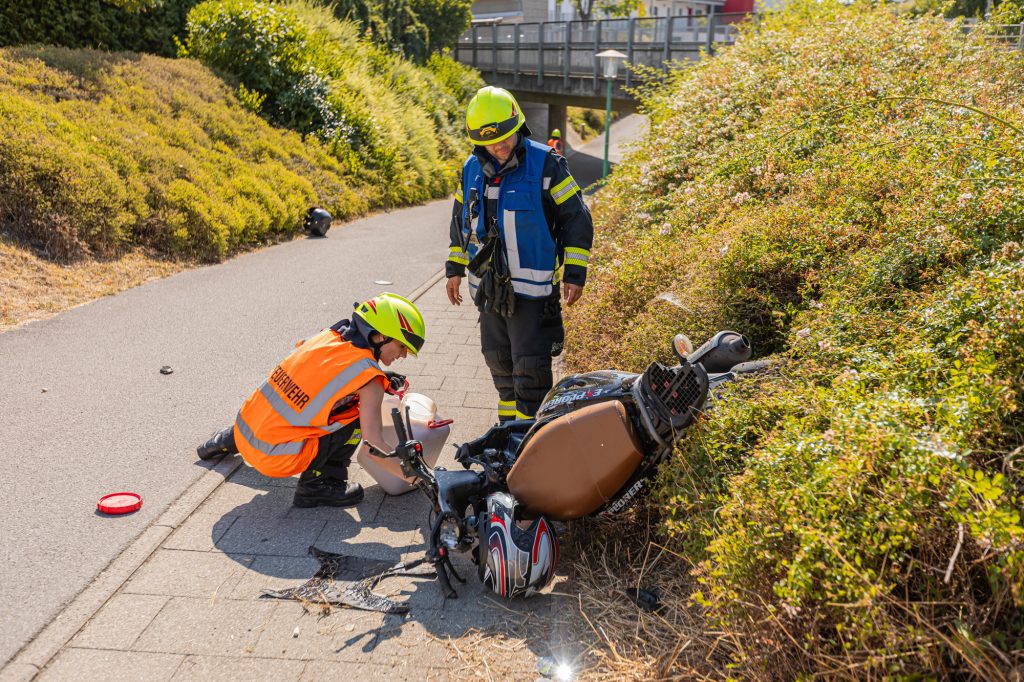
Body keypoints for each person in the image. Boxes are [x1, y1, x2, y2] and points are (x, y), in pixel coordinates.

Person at [446, 86, 594, 422]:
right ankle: (508, 432)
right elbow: (461, 223)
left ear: (518, 126)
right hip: (488, 291)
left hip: (531, 294)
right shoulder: (471, 169)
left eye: (505, 138)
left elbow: (576, 218)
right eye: (491, 143)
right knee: (499, 365)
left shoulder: (546, 164)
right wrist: (454, 267)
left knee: (530, 370)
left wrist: (574, 273)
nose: (499, 147)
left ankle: (530, 437)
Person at [195, 293, 425, 508]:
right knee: (355, 412)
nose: (403, 355)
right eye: (402, 346)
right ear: (381, 336)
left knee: (292, 401)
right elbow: (373, 445)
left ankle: (223, 441)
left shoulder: (328, 337)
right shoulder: (370, 381)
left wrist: (377, 377)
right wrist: (419, 479)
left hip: (246, 429)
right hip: (272, 458)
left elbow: (320, 379)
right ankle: (318, 485)